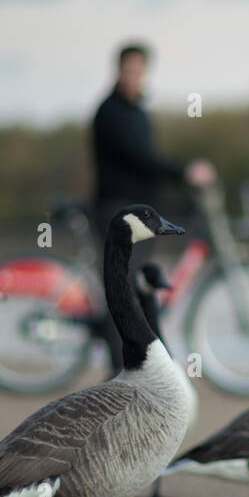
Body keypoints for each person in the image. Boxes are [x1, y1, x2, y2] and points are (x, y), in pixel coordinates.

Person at [91, 42, 214, 369]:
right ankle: (122, 376)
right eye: (128, 70)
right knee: (122, 295)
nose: (133, 77)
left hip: (140, 214)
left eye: (139, 71)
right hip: (117, 214)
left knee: (136, 291)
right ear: (117, 70)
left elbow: (146, 165)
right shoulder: (111, 112)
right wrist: (183, 172)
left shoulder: (137, 112)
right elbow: (140, 159)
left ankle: (139, 368)